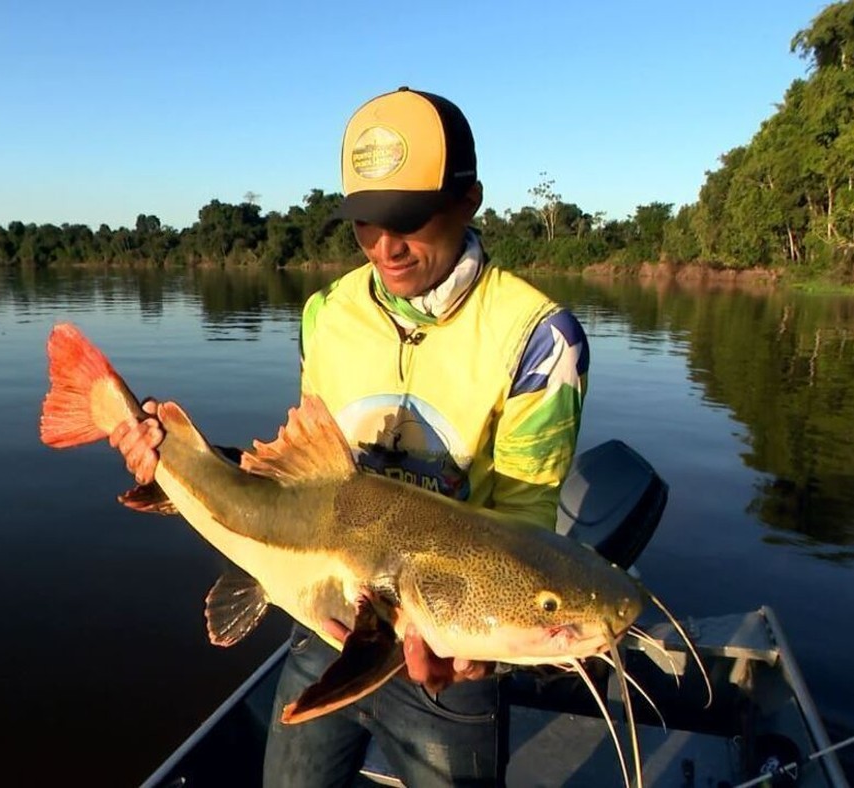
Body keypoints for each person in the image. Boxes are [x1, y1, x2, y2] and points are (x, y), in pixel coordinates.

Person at [111, 87, 589, 787]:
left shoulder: (540, 339)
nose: (384, 247)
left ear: (469, 200)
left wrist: (479, 649)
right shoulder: (326, 313)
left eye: (409, 219)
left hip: (449, 656)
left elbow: (523, 523)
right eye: (364, 222)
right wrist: (178, 459)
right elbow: (306, 477)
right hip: (322, 624)